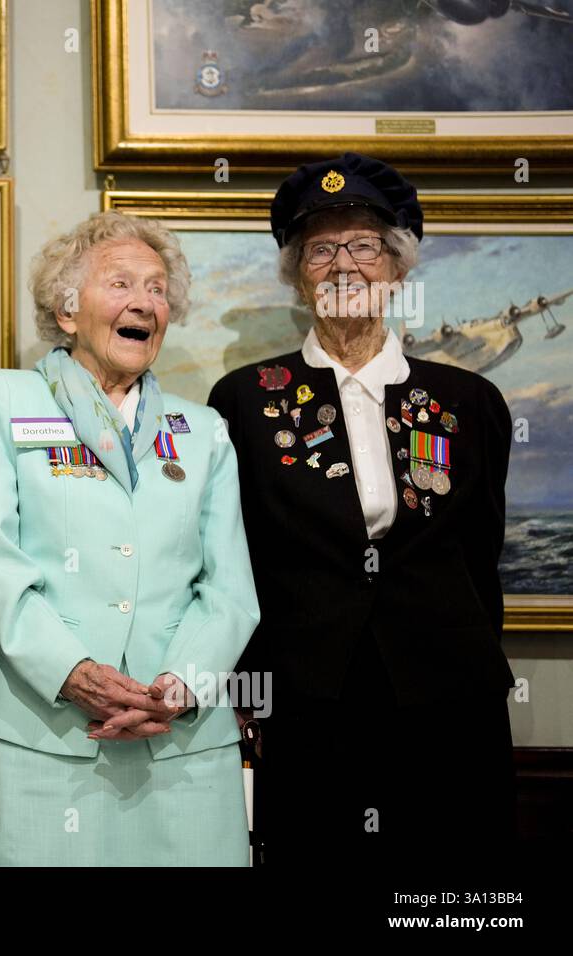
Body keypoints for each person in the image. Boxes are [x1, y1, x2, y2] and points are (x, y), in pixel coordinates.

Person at [207, 152, 517, 864]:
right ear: (297, 273)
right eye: (320, 248)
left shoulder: (469, 403)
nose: (343, 264)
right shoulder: (246, 400)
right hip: (310, 698)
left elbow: (479, 556)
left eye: (364, 245)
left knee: (455, 887)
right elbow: (236, 555)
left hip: (448, 697)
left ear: (398, 267)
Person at [0, 211, 260, 866]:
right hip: (50, 737)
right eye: (121, 282)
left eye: (157, 288)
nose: (144, 302)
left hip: (182, 746)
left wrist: (174, 692)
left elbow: (230, 593)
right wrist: (75, 674)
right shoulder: (7, 401)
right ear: (68, 312)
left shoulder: (204, 430)